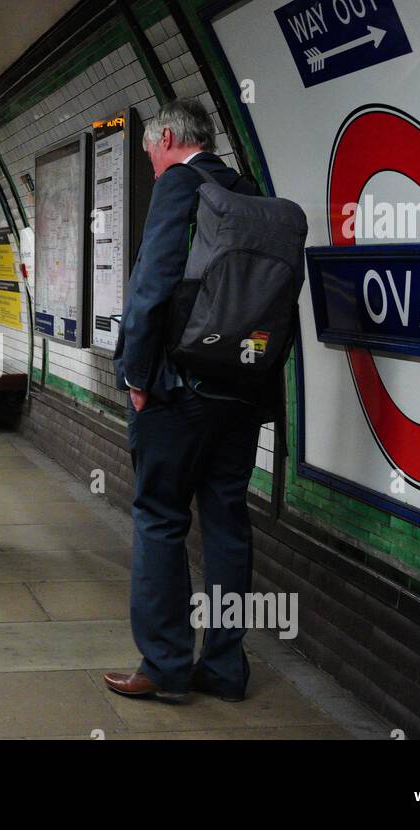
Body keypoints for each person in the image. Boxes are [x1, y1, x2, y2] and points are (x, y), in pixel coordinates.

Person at [104, 99, 280, 704]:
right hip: (244, 390)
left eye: (153, 153)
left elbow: (151, 285)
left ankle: (166, 665)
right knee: (228, 524)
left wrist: (134, 373)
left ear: (170, 137)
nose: (153, 165)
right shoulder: (248, 191)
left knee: (160, 518)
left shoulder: (179, 186)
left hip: (178, 390)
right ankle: (226, 669)